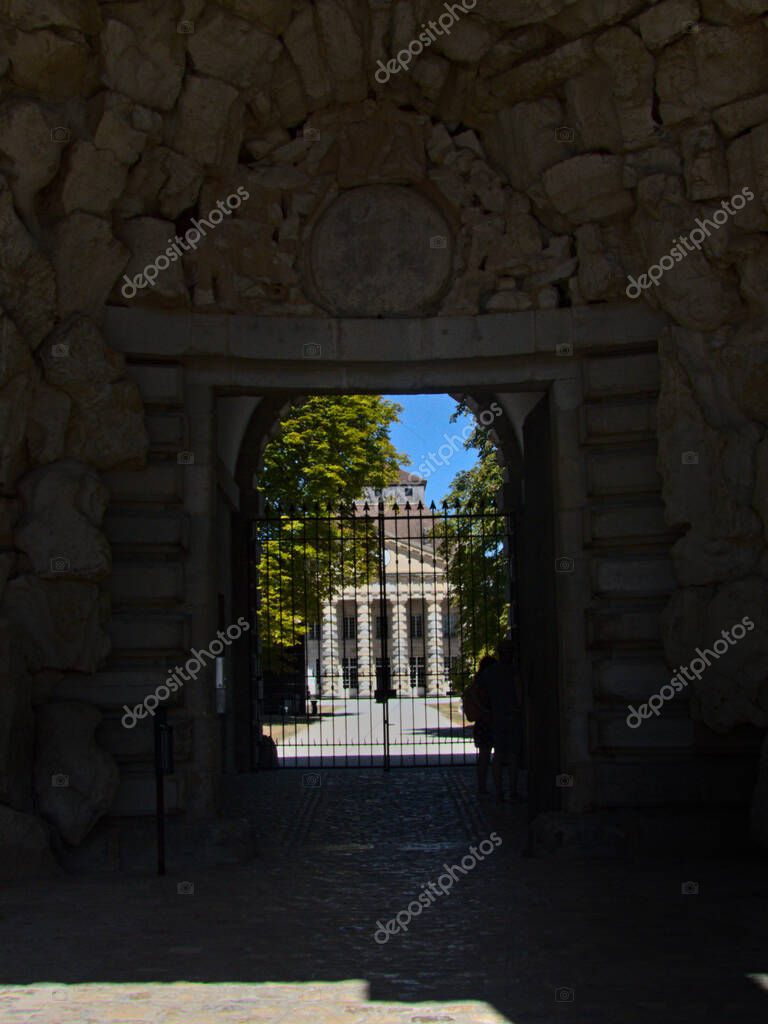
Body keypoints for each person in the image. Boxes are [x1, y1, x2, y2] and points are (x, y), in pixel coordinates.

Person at [479, 637, 523, 804]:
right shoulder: (514, 672)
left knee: (498, 755)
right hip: (512, 717)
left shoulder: (490, 673)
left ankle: (499, 791)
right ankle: (512, 790)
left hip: (496, 718)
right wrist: (519, 708)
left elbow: (480, 693)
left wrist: (486, 710)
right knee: (512, 755)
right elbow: (519, 693)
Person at [466, 655, 495, 794]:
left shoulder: (476, 683)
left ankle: (482, 786)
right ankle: (496, 786)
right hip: (491, 721)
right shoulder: (489, 683)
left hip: (482, 723)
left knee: (484, 755)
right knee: (499, 755)